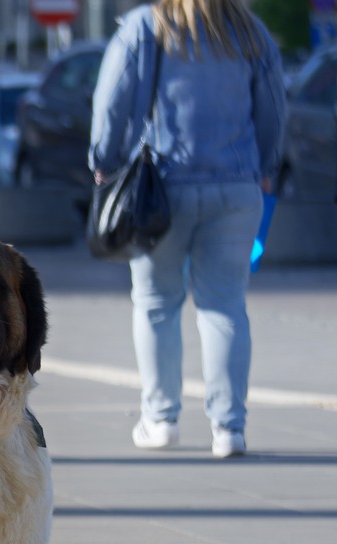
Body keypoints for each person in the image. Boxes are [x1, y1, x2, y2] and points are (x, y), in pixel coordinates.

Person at [89, 0, 286, 459]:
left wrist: (102, 160)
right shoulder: (250, 32)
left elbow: (112, 99)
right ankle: (229, 429)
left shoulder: (145, 28)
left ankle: (160, 420)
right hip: (237, 188)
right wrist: (266, 166)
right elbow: (275, 108)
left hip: (161, 190)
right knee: (225, 306)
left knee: (156, 302)